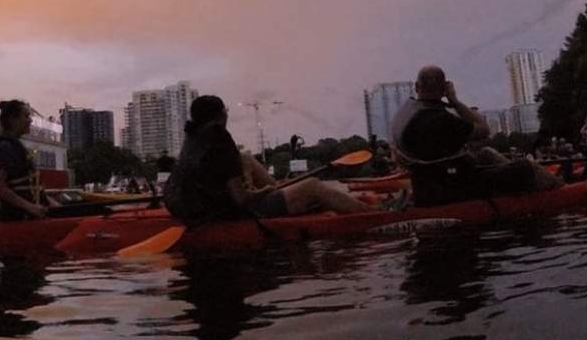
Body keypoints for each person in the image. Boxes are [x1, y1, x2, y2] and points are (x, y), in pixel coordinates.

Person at [164, 95, 370, 226]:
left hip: (202, 209)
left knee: (244, 157)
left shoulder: (193, 138)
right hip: (227, 214)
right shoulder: (219, 139)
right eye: (225, 110)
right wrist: (263, 192)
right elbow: (241, 200)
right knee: (313, 186)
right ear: (220, 115)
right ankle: (373, 214)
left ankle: (282, 194)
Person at [390, 66, 562, 207]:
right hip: (454, 187)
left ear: (416, 87)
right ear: (444, 89)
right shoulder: (439, 118)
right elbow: (484, 129)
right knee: (527, 167)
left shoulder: (405, 113)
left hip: (426, 185)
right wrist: (455, 102)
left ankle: (516, 184)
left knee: (486, 153)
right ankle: (561, 191)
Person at [0, 99, 55, 219]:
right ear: (13, 119)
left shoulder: (14, 146)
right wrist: (30, 207)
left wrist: (55, 206)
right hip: (18, 217)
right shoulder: (4, 148)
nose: (30, 120)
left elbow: (32, 189)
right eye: (26, 116)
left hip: (29, 214)